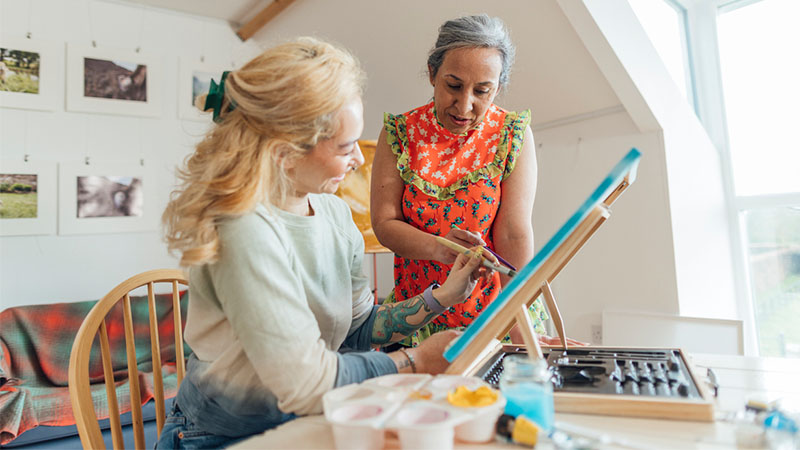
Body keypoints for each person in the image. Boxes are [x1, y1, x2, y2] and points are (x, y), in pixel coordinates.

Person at [158, 37, 490, 449]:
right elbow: (308, 385)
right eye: (346, 147)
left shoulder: (333, 215)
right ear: (285, 152)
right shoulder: (242, 227)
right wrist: (417, 359)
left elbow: (357, 330)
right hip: (221, 435)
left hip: (310, 420)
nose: (358, 161)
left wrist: (440, 297)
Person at [372, 14, 576, 347]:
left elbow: (512, 232)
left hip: (494, 316)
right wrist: (440, 248)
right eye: (453, 85)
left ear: (498, 87)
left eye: (482, 91)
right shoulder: (399, 133)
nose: (464, 105)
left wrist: (517, 319)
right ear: (432, 73)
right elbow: (385, 222)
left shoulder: (511, 134)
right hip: (418, 314)